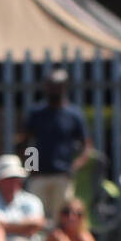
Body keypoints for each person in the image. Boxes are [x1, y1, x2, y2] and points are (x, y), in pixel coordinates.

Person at [22, 69, 91, 222]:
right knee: (36, 217)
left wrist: (73, 167)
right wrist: (31, 167)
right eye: (50, 85)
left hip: (62, 176)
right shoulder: (36, 113)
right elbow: (26, 142)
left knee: (62, 219)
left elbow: (86, 146)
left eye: (56, 86)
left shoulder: (74, 114)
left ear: (64, 87)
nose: (53, 89)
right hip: (39, 175)